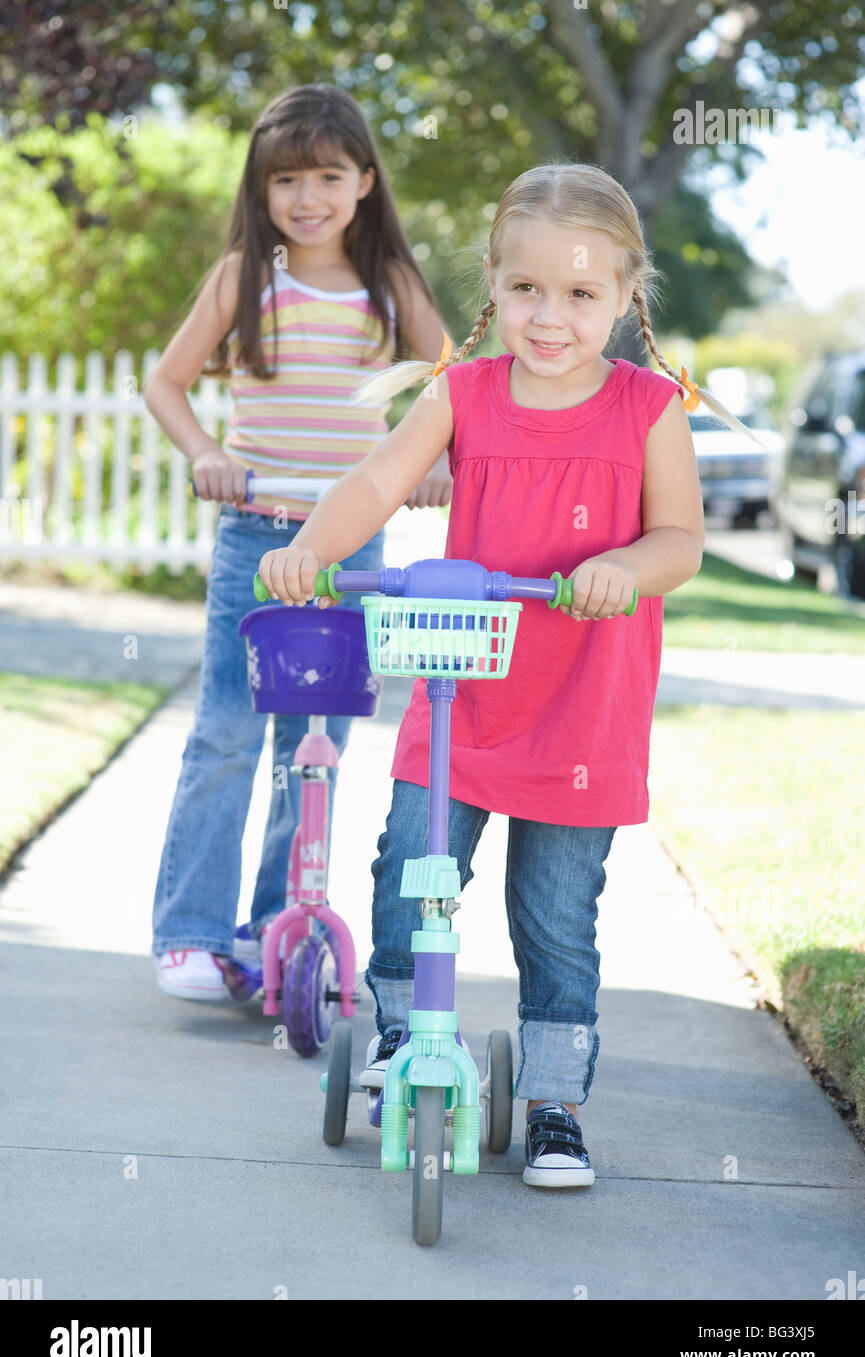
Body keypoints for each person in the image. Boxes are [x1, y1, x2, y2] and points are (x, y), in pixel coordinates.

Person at [258, 162, 747, 1188]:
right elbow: (375, 482)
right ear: (492, 283)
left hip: (583, 708)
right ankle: (403, 1033)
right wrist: (311, 548)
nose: (549, 316)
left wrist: (624, 567)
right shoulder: (463, 394)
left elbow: (681, 541)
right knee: (411, 867)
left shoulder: (648, 407)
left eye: (579, 292)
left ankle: (553, 1104)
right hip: (464, 693)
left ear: (625, 296)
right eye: (526, 288)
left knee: (555, 915)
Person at [145, 84, 453, 1000]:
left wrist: (440, 459)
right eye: (285, 180)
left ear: (364, 181)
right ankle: (191, 935)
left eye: (326, 176)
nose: (307, 197)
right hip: (257, 536)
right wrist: (205, 452)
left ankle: (280, 926)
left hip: (351, 553)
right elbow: (164, 383)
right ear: (261, 189)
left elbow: (454, 388)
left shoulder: (390, 284)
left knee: (314, 743)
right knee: (227, 733)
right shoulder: (245, 276)